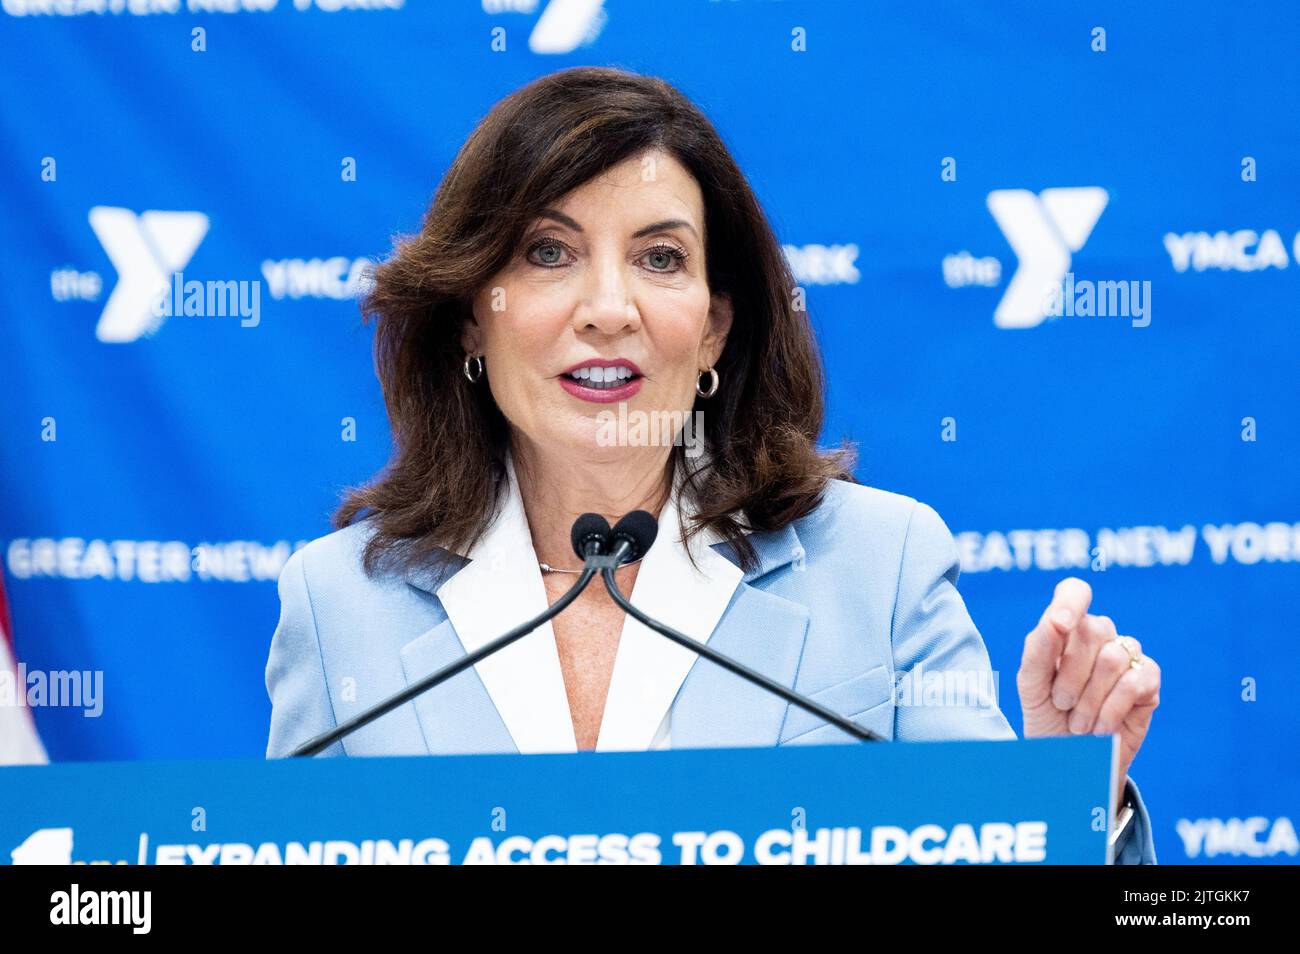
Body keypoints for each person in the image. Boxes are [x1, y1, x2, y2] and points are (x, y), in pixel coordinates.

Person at [265, 66, 1160, 864]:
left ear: (714, 330)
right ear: (471, 314)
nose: (608, 309)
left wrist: (1067, 818)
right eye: (548, 252)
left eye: (660, 258)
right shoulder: (339, 604)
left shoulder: (880, 570)